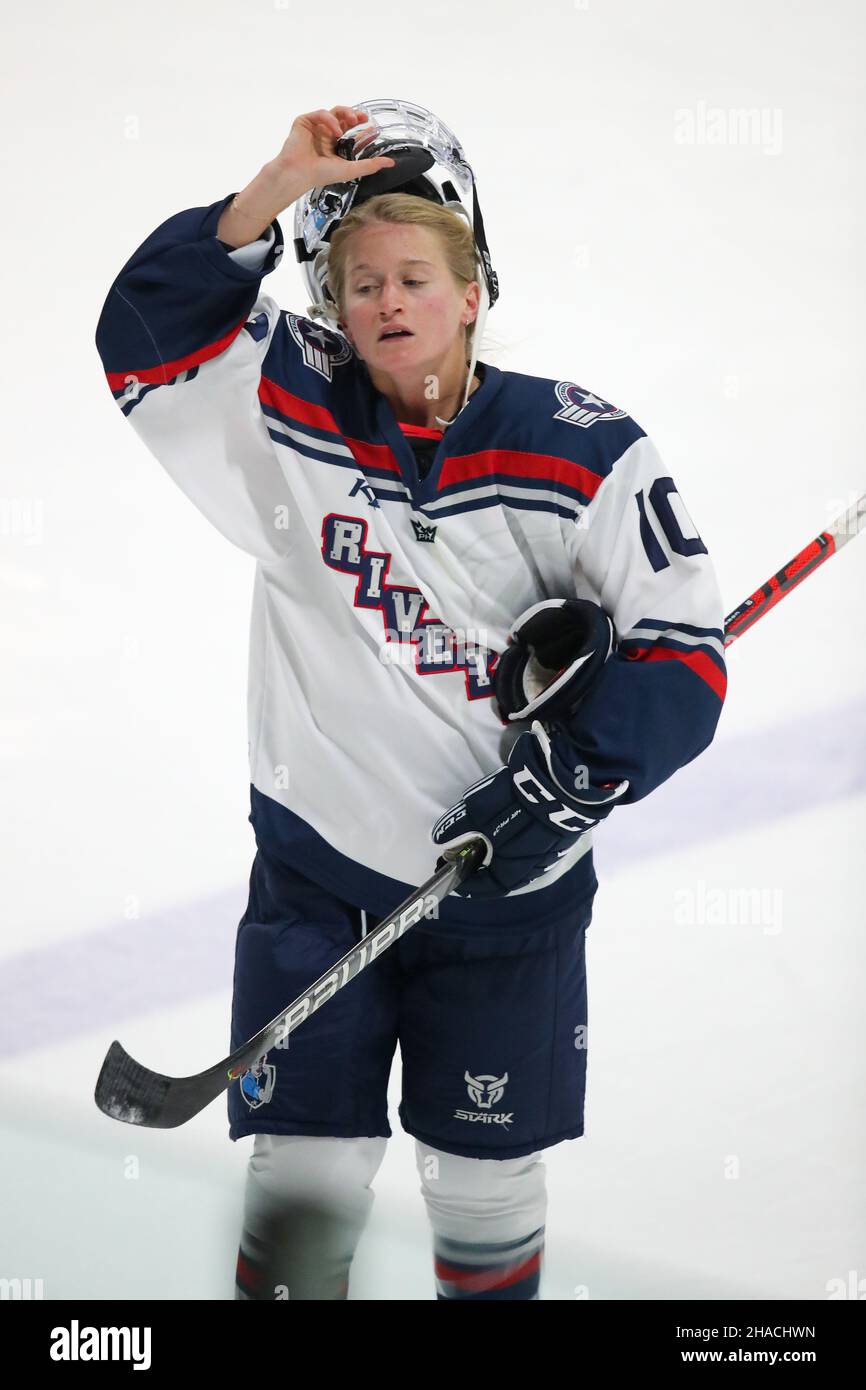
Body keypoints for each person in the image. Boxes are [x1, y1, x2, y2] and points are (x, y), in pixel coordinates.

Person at [94, 99, 727, 1301]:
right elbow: (145, 334)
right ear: (329, 300)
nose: (387, 301)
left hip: (507, 908)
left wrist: (574, 776)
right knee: (302, 1179)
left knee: (485, 1187)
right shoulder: (285, 399)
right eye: (359, 280)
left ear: (476, 288)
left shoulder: (581, 447)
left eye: (416, 277)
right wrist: (274, 189)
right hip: (315, 878)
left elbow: (683, 655)